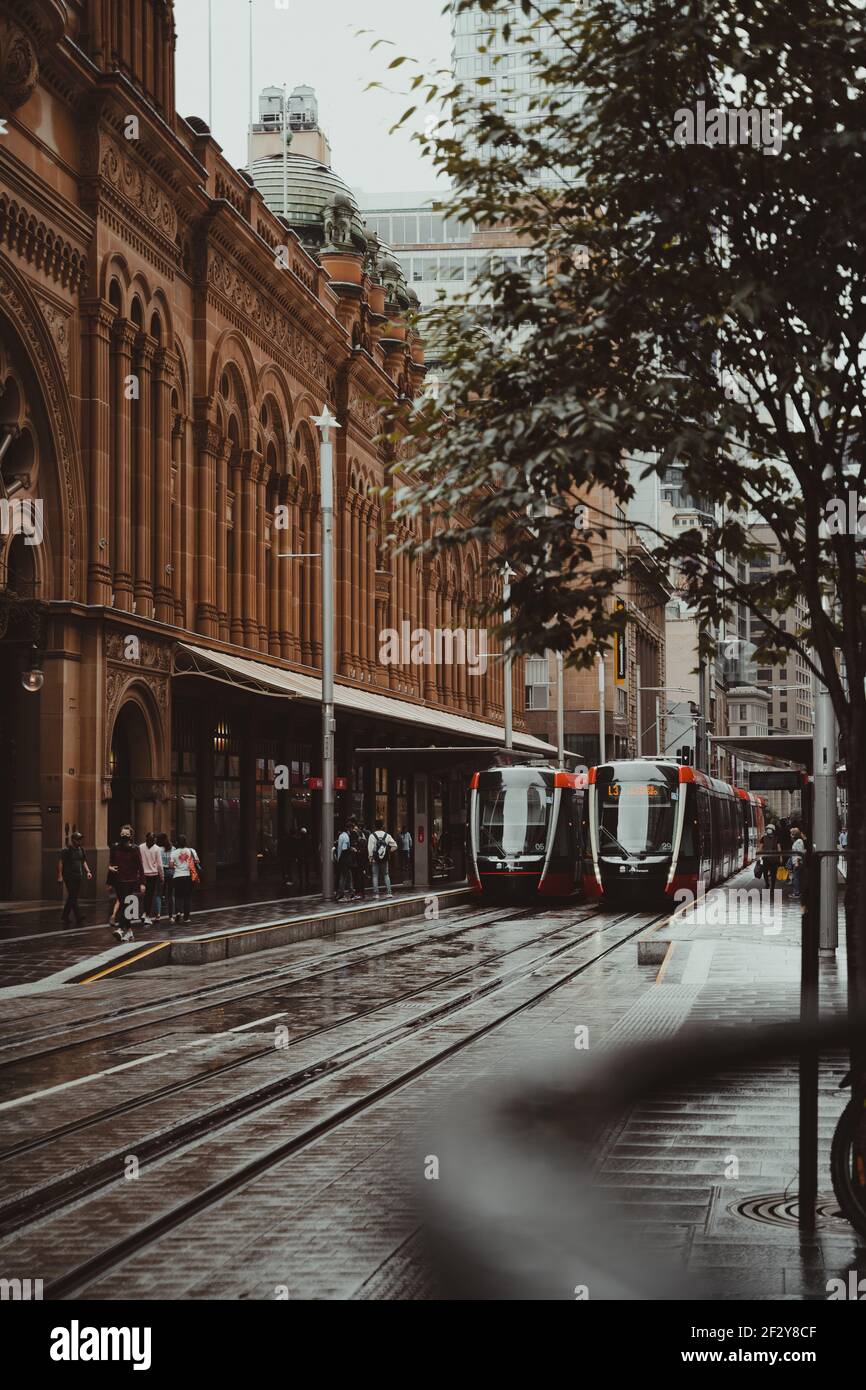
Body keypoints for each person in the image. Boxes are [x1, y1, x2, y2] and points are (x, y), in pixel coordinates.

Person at [107, 825, 145, 941]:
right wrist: (109, 879)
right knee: (124, 905)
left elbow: (140, 866)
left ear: (131, 836)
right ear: (120, 834)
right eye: (123, 834)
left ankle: (119, 928)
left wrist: (142, 883)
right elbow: (111, 863)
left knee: (125, 904)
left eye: (127, 835)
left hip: (130, 880)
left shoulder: (135, 849)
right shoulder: (115, 847)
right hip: (118, 879)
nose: (124, 836)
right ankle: (129, 931)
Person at [57, 831, 92, 925]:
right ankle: (78, 916)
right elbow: (61, 862)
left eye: (80, 839)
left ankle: (65, 916)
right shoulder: (67, 850)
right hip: (69, 876)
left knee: (73, 897)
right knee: (73, 895)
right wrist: (60, 876)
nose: (80, 841)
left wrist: (88, 871)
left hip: (78, 875)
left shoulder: (81, 850)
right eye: (78, 839)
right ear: (73, 840)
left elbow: (83, 861)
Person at [170, 835, 201, 923]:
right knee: (187, 897)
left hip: (177, 876)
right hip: (188, 876)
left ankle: (178, 912)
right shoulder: (191, 851)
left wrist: (177, 865)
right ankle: (186, 918)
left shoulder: (174, 852)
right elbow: (197, 861)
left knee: (178, 896)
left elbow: (171, 866)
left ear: (177, 843)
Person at [368, 818, 398, 898]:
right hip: (384, 859)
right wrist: (387, 852)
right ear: (382, 826)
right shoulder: (387, 835)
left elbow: (370, 849)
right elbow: (395, 846)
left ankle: (376, 894)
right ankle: (389, 892)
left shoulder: (372, 836)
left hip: (375, 859)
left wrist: (370, 858)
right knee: (386, 874)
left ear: (375, 826)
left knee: (375, 875)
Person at [139, 831, 164, 925]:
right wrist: (162, 877)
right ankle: (146, 915)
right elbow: (160, 865)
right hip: (153, 875)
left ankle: (144, 913)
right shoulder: (157, 849)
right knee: (149, 896)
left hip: (143, 874)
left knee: (145, 896)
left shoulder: (140, 847)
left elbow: (139, 861)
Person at [155, 833, 175, 923]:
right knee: (171, 895)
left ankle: (158, 915)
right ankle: (171, 916)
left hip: (161, 872)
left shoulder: (158, 849)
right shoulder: (173, 849)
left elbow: (157, 863)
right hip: (171, 872)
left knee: (158, 894)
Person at [334, 821, 355, 901]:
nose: (352, 830)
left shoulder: (341, 835)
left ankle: (351, 892)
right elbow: (345, 849)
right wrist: (352, 849)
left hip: (341, 859)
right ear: (348, 828)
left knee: (348, 876)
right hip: (345, 860)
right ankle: (341, 894)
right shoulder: (346, 837)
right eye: (351, 828)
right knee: (344, 877)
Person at [289, 825, 312, 895]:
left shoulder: (299, 840)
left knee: (300, 869)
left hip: (301, 857)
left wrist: (297, 857)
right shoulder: (308, 840)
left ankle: (302, 880)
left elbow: (297, 849)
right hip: (306, 857)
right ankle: (306, 880)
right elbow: (309, 849)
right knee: (306, 869)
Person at [350, 821, 368, 900]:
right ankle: (361, 893)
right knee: (360, 875)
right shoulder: (362, 834)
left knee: (357, 876)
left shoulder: (355, 834)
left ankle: (359, 893)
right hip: (362, 859)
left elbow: (356, 847)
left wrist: (354, 849)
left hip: (358, 859)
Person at [758, 823, 779, 891]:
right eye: (768, 829)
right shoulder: (763, 838)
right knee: (765, 873)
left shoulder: (776, 838)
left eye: (770, 829)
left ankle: (772, 887)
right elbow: (760, 847)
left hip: (774, 859)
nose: (769, 830)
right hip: (765, 858)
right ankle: (767, 883)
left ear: (773, 830)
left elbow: (779, 848)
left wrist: (780, 857)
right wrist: (759, 856)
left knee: (773, 874)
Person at [789, 825, 806, 900]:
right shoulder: (797, 841)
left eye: (792, 834)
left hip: (797, 863)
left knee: (796, 878)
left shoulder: (799, 841)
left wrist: (797, 862)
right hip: (796, 862)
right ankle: (797, 892)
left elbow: (799, 853)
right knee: (797, 878)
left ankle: (797, 893)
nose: (790, 835)